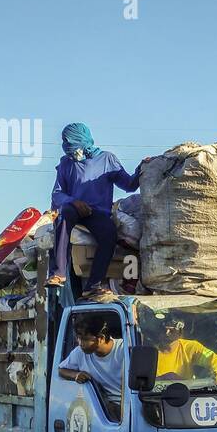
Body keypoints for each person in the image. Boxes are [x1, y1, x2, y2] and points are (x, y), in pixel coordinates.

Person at [46, 123, 148, 304]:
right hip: (74, 209)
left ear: (84, 142)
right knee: (63, 216)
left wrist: (142, 168)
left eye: (74, 147)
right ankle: (58, 273)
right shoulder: (66, 163)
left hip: (97, 213)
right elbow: (57, 194)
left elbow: (129, 185)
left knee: (109, 235)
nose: (72, 152)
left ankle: (92, 286)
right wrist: (72, 201)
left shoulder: (107, 160)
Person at [58, 313, 126, 419]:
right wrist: (75, 375)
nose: (80, 343)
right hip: (101, 407)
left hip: (125, 407)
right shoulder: (79, 352)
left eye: (85, 339)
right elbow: (61, 370)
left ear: (101, 338)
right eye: (78, 338)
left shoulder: (124, 350)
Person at [154, 315, 217, 382]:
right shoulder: (150, 353)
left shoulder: (191, 347)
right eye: (164, 330)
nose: (167, 333)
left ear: (180, 333)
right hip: (156, 395)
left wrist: (215, 379)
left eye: (172, 331)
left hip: (189, 394)